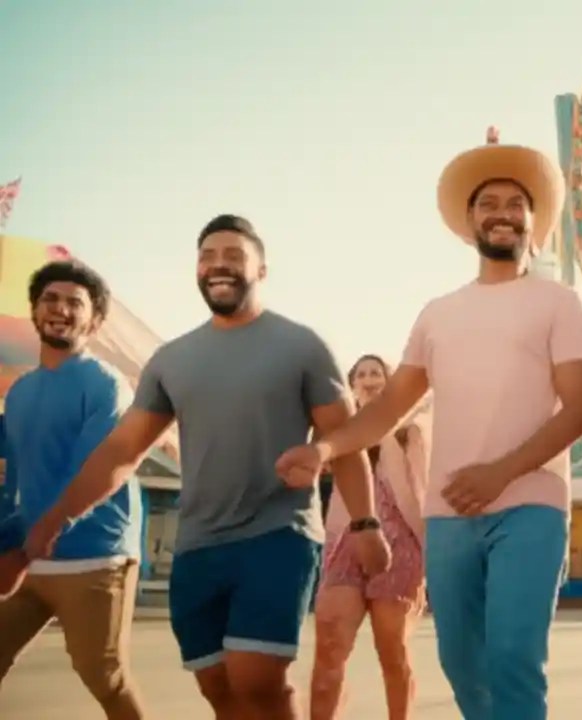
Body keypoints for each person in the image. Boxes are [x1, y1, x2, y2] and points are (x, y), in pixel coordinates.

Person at [276, 129, 582, 720]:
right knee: (461, 663)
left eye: (515, 205)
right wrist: (324, 451)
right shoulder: (437, 313)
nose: (502, 214)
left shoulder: (559, 302)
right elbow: (387, 408)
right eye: (488, 205)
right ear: (470, 221)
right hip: (449, 513)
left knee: (513, 657)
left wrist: (499, 474)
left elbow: (580, 410)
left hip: (531, 505)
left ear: (532, 221)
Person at [24, 215, 390, 720]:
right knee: (217, 687)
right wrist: (58, 516)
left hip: (278, 534)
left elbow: (343, 442)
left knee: (258, 679)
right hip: (198, 545)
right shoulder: (172, 359)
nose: (219, 266)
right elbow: (122, 450)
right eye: (207, 257)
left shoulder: (302, 345)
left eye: (234, 256)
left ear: (261, 269)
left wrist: (365, 522)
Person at [0, 260, 147, 719]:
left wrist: (36, 537)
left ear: (95, 321)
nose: (60, 309)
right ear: (35, 311)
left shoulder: (104, 383)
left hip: (95, 557)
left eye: (74, 303)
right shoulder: (21, 392)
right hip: (31, 557)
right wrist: (9, 541)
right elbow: (17, 481)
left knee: (103, 675)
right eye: (50, 299)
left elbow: (99, 469)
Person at [310, 354, 429, 720]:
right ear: (352, 386)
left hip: (401, 544)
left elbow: (428, 482)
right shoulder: (337, 434)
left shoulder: (412, 429)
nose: (369, 378)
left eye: (377, 372)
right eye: (361, 374)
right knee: (329, 643)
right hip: (346, 542)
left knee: (391, 649)